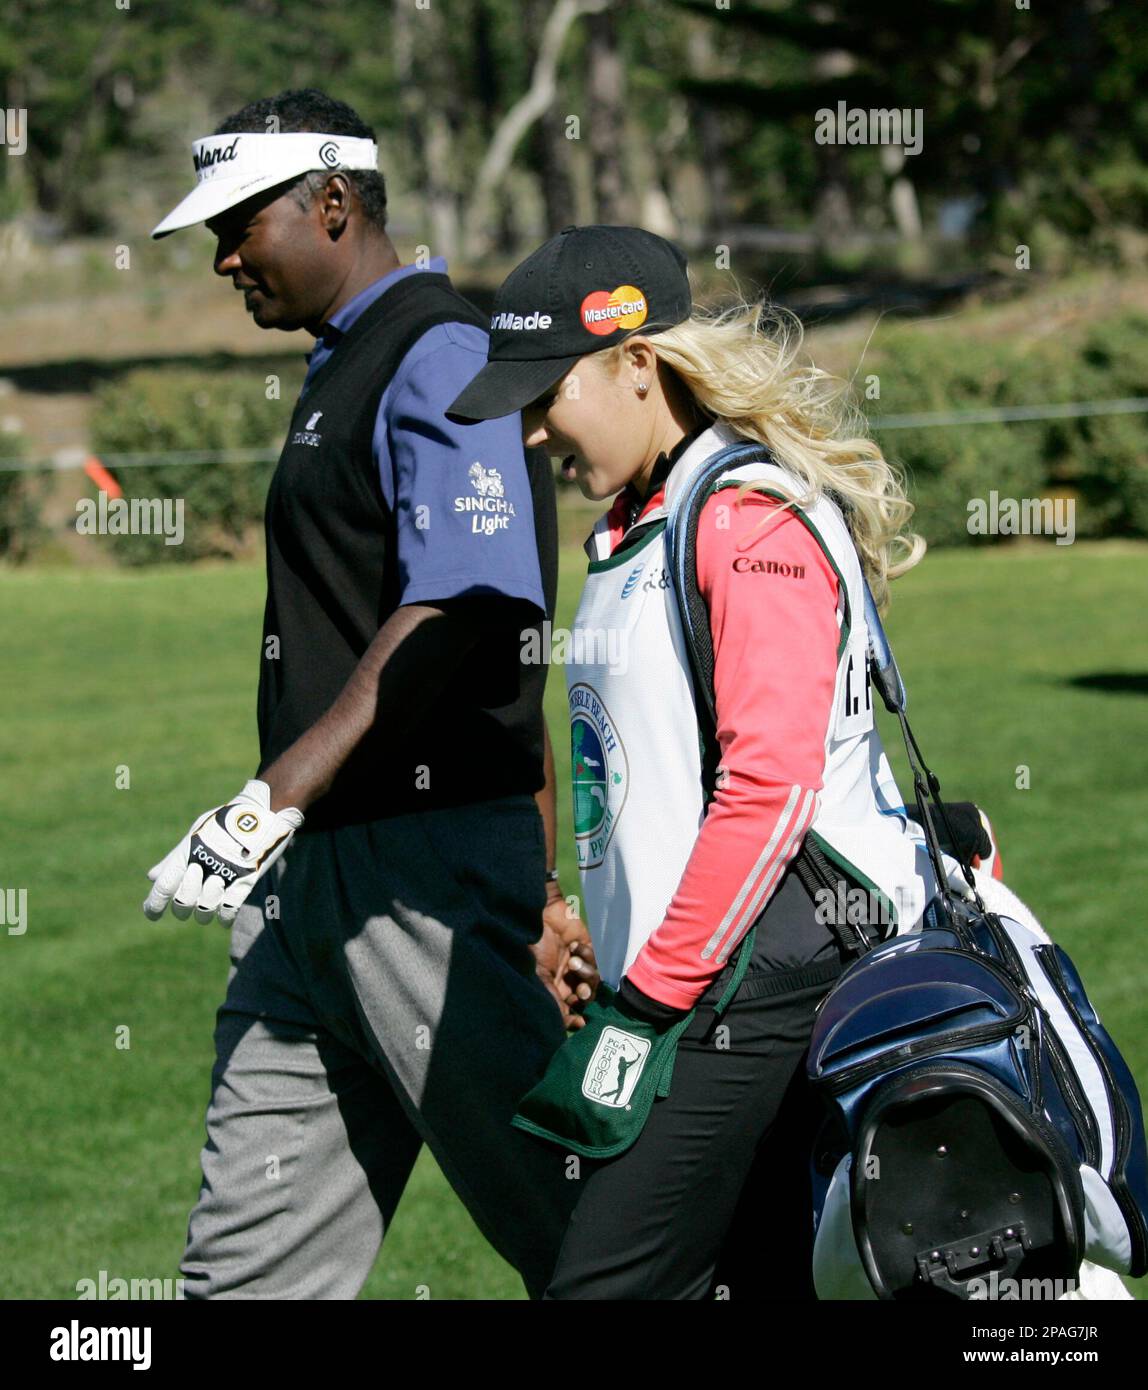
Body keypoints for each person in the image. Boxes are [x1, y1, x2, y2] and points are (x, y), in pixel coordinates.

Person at [141, 90, 598, 1300]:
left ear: (332, 204)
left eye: (239, 225)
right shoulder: (348, 357)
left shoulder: (436, 348)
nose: (224, 256)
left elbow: (474, 601)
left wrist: (271, 795)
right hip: (312, 886)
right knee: (245, 1275)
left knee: (590, 1241)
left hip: (419, 876)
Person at [446, 224, 954, 1299]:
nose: (532, 432)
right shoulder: (644, 517)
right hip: (706, 977)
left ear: (636, 362)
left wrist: (650, 996)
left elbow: (769, 788)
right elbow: (641, 781)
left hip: (766, 975)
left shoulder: (741, 514)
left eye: (547, 395)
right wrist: (616, 942)